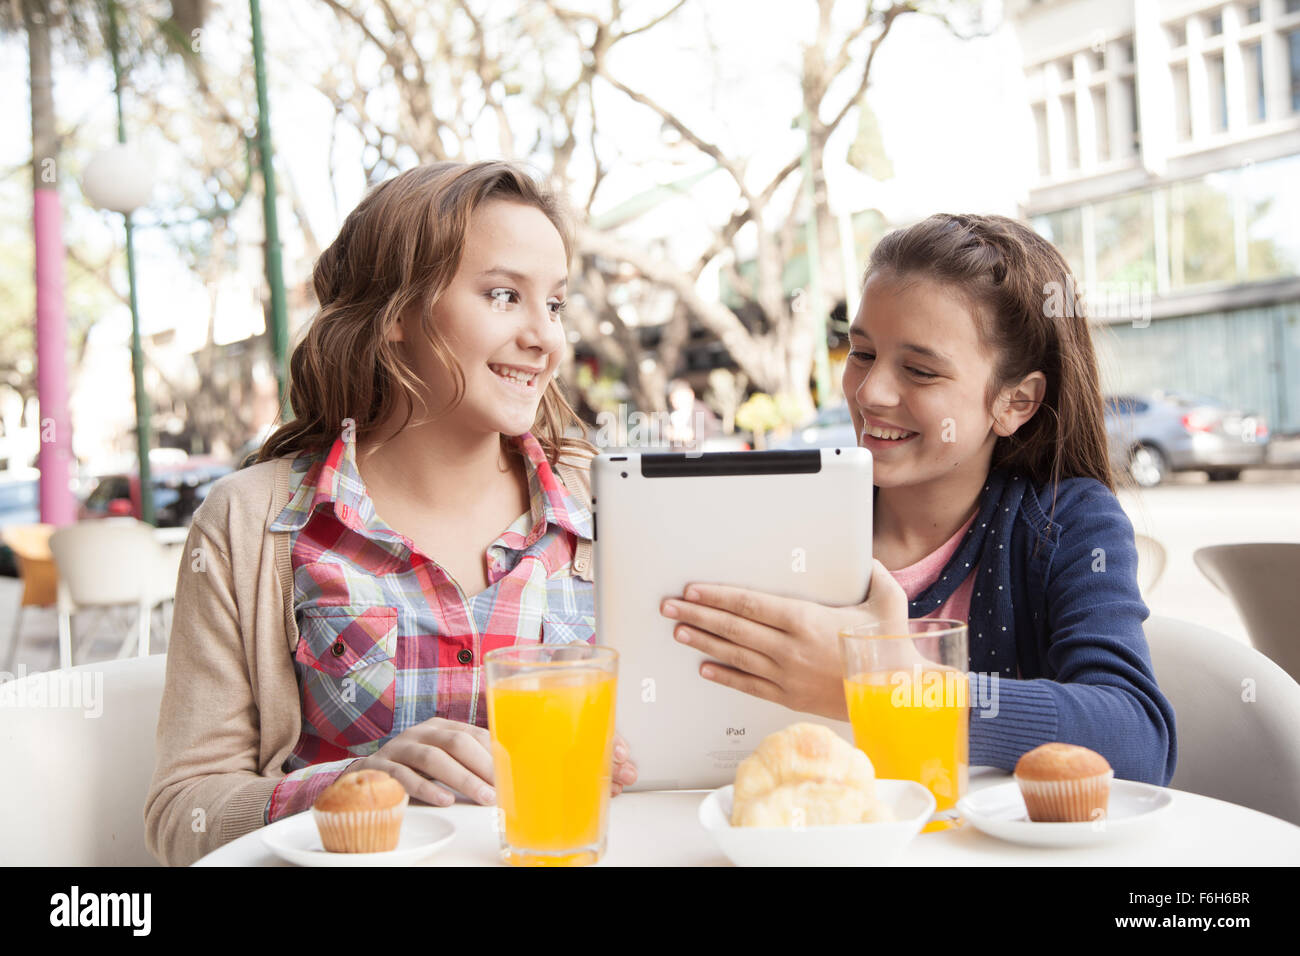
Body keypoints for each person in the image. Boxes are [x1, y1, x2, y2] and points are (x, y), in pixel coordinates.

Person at [145, 161, 637, 866]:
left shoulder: (609, 506)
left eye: (555, 304)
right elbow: (179, 816)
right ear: (398, 314)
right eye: (504, 296)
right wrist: (353, 784)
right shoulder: (250, 524)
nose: (546, 338)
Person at [658, 213, 1176, 786]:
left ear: (1015, 401)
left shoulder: (1065, 524)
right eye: (860, 353)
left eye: (921, 370)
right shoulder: (792, 517)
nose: (871, 392)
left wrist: (896, 686)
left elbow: (1139, 738)